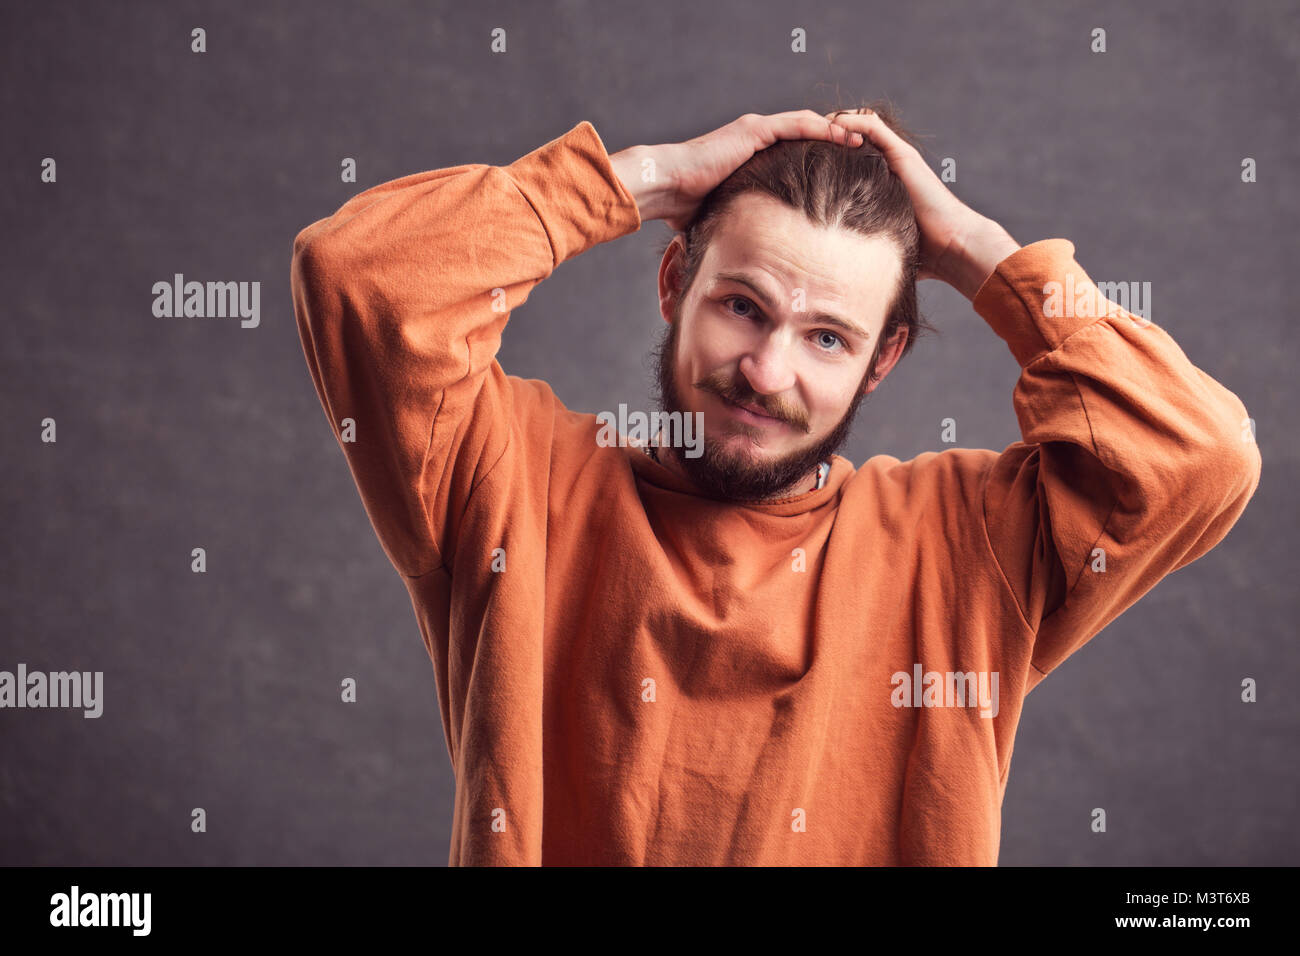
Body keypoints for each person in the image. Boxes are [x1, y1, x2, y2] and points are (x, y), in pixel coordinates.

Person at [289, 106, 1261, 865]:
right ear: (674, 285)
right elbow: (358, 275)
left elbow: (1200, 452)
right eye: (742, 307)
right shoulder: (507, 477)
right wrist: (645, 175)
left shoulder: (963, 549)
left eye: (827, 337)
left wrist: (973, 250)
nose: (765, 370)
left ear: (880, 364)